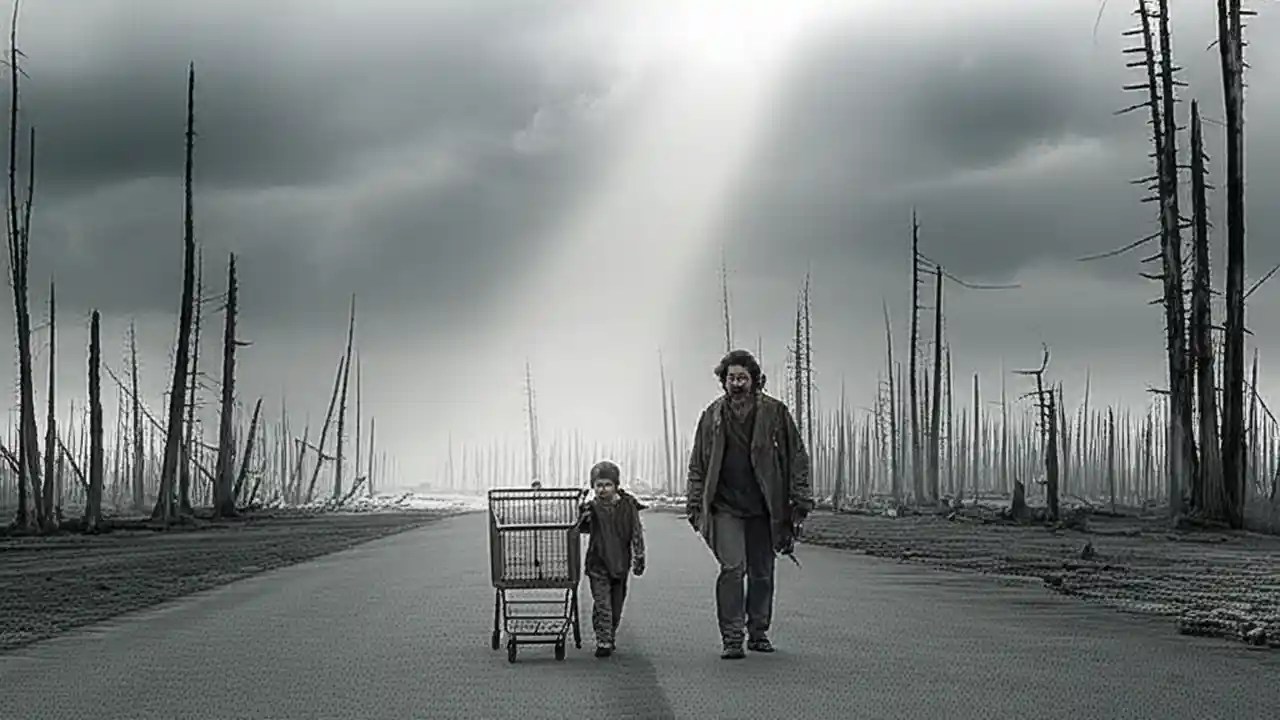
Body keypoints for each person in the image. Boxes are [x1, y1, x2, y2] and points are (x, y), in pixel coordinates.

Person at [685, 349, 813, 659]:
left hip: (765, 508)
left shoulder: (775, 413)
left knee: (762, 572)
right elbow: (697, 464)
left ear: (754, 380)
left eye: (743, 377)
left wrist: (801, 497)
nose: (737, 383)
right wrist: (694, 503)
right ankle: (732, 637)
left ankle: (758, 631)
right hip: (725, 506)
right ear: (723, 381)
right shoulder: (712, 416)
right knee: (732, 568)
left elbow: (797, 456)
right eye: (731, 378)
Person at [576, 460, 646, 658]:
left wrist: (639, 556)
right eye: (598, 485)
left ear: (616, 485)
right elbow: (580, 528)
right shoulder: (591, 508)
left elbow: (636, 532)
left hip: (620, 563)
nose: (602, 489)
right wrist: (582, 515)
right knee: (602, 605)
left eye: (607, 485)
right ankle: (603, 640)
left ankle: (610, 633)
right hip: (597, 563)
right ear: (593, 487)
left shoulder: (627, 506)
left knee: (616, 605)